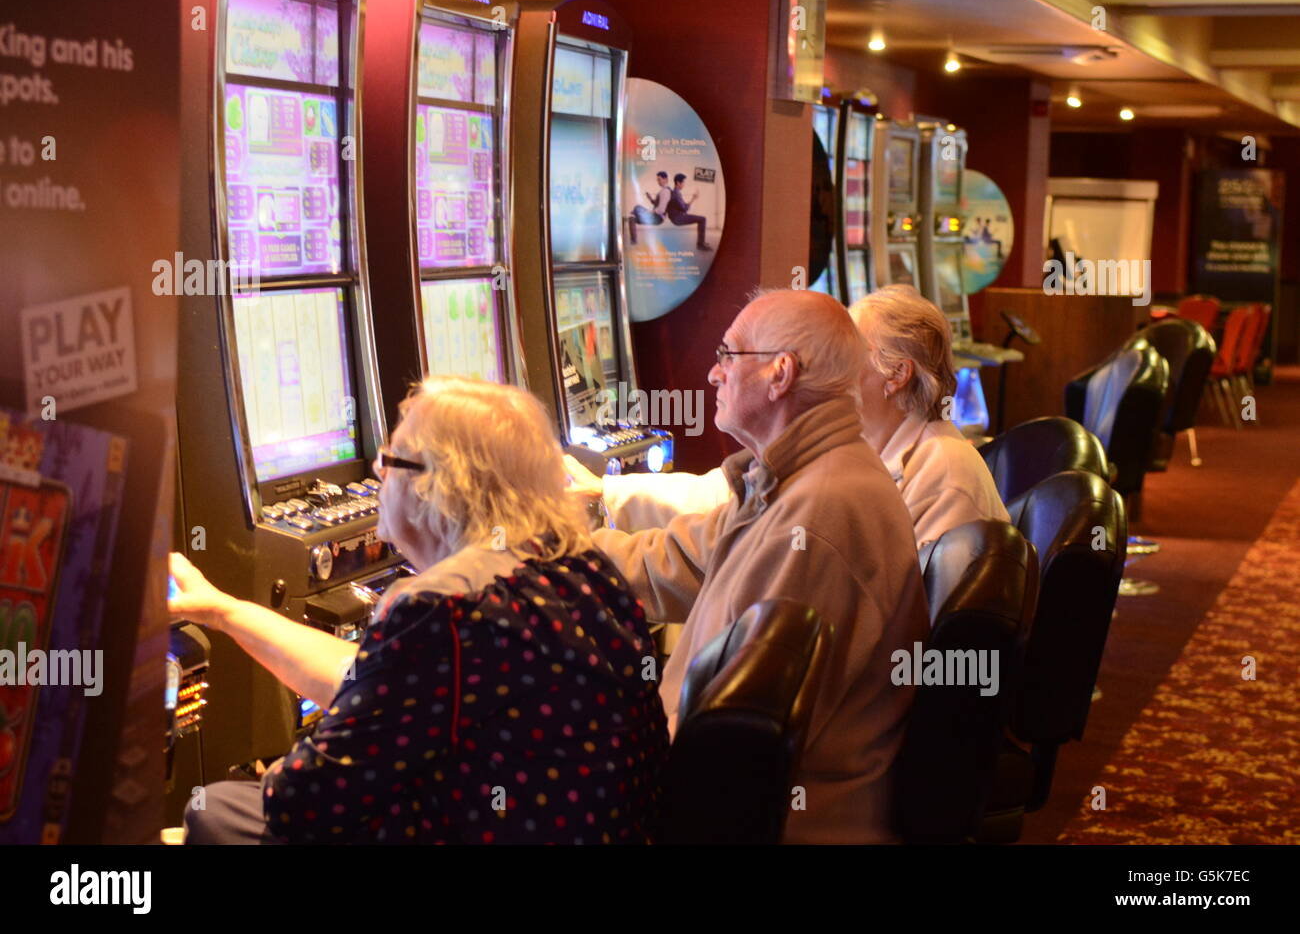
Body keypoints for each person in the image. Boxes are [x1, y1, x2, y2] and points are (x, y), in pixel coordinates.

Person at [174, 376, 669, 844]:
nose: (375, 475)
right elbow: (370, 681)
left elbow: (300, 803)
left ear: (437, 486)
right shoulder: (582, 568)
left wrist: (287, 766)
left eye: (388, 461)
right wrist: (222, 610)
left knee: (217, 811)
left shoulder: (448, 609)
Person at [587, 289, 929, 843]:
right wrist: (543, 543)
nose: (713, 373)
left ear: (780, 374)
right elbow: (667, 561)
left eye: (728, 354)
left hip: (793, 821)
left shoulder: (821, 515)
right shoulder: (795, 479)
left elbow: (728, 740)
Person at [569, 285, 1008, 552]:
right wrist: (606, 492)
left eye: (851, 351)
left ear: (895, 374)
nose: (833, 363)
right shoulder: (870, 448)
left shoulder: (943, 470)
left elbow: (914, 626)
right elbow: (720, 502)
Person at [666, 173, 711, 251]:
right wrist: (693, 199)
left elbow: (682, 206)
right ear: (678, 183)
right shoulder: (676, 194)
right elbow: (685, 208)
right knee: (702, 219)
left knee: (701, 219)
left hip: (677, 217)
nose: (684, 185)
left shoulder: (675, 192)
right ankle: (700, 244)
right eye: (683, 183)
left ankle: (701, 243)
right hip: (678, 218)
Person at [628, 171, 670, 244]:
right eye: (657, 180)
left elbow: (661, 209)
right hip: (655, 216)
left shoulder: (665, 191)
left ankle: (635, 212)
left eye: (659, 179)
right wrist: (650, 198)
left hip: (658, 218)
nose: (658, 181)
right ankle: (633, 240)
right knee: (631, 219)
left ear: (666, 179)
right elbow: (657, 204)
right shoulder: (663, 191)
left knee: (637, 207)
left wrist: (649, 212)